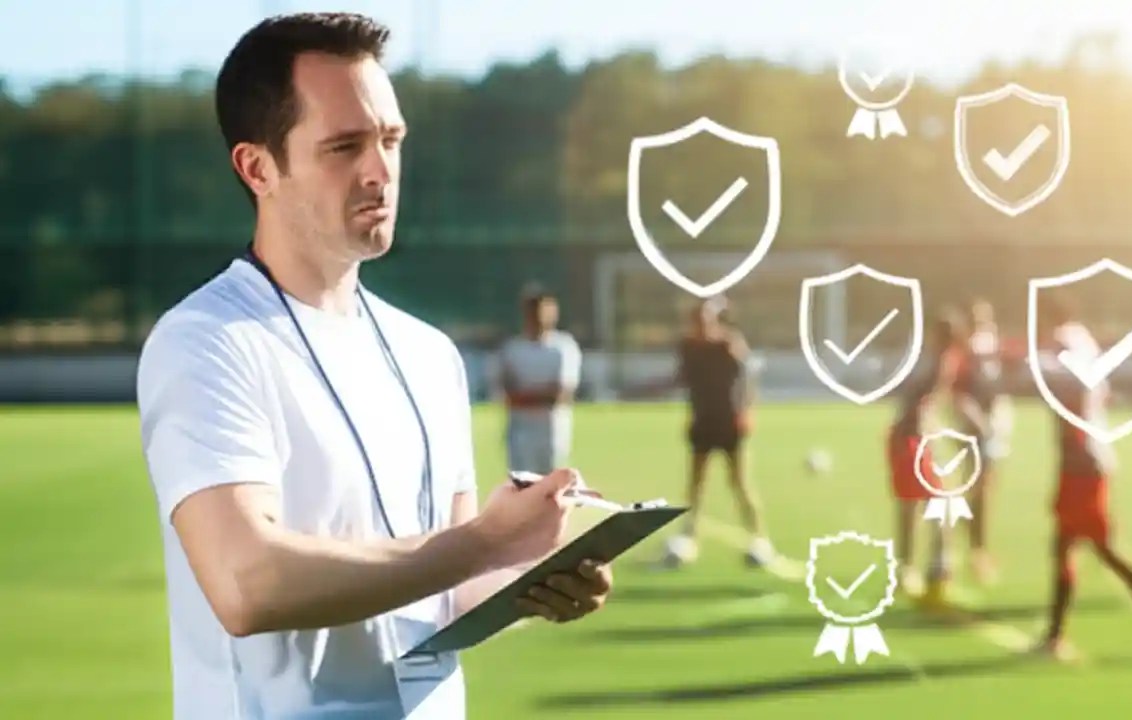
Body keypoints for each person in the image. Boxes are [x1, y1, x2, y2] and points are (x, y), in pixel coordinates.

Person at [135, 14, 611, 719]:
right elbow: (246, 584)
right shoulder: (207, 340)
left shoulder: (429, 354)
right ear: (258, 168)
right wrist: (482, 542)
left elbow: (445, 589)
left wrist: (526, 578)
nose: (380, 171)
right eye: (344, 146)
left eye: (391, 140)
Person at [1033, 292, 1132, 662]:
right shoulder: (1080, 339)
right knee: (1066, 545)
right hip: (1083, 457)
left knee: (1101, 546)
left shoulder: (1064, 342)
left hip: (1082, 460)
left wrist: (1076, 434)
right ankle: (1054, 637)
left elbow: (1076, 385)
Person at [661, 297, 775, 568]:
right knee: (695, 486)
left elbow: (747, 379)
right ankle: (688, 536)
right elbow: (683, 378)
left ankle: (759, 537)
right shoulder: (688, 347)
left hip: (728, 422)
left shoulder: (729, 344)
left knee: (739, 482)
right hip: (702, 422)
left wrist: (747, 411)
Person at [885, 308, 977, 610]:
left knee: (913, 505)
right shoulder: (942, 362)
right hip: (914, 439)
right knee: (940, 503)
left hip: (905, 437)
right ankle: (937, 572)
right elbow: (927, 403)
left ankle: (907, 570)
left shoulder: (928, 359)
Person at [952, 298, 1011, 584]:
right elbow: (960, 393)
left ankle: (974, 548)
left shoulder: (991, 347)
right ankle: (977, 551)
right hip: (975, 427)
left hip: (993, 424)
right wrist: (978, 423)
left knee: (985, 488)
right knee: (980, 490)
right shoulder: (966, 351)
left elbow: (997, 386)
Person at [496, 288, 582, 475]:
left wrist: (526, 397)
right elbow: (507, 394)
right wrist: (539, 396)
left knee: (550, 484)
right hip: (519, 432)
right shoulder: (512, 349)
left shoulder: (563, 347)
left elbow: (560, 394)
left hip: (551, 431)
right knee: (522, 484)